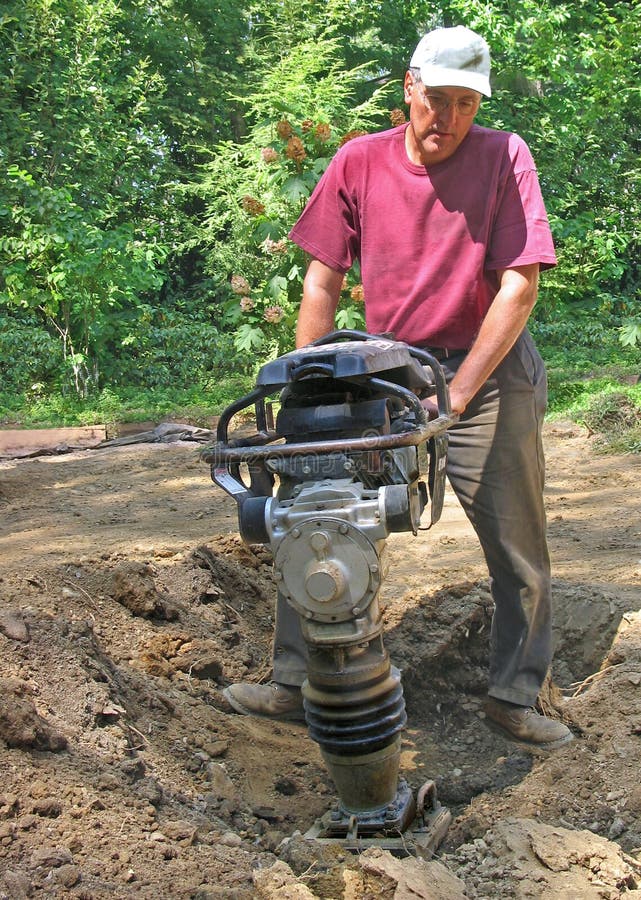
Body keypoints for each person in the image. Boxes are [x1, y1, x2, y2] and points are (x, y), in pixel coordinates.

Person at [224, 25, 573, 749]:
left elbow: (519, 284)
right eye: (434, 99)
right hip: (386, 368)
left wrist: (459, 394)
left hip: (489, 362)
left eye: (464, 104)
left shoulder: (504, 156)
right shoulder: (360, 162)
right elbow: (323, 275)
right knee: (318, 502)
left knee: (513, 537)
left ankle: (515, 693)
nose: (446, 118)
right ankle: (297, 678)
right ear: (407, 87)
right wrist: (306, 381)